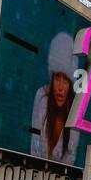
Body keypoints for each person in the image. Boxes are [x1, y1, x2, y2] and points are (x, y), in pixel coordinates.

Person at [30, 34, 79, 164]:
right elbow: (34, 147)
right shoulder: (41, 97)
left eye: (66, 80)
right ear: (52, 78)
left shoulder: (76, 110)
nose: (61, 88)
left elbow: (71, 158)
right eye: (57, 78)